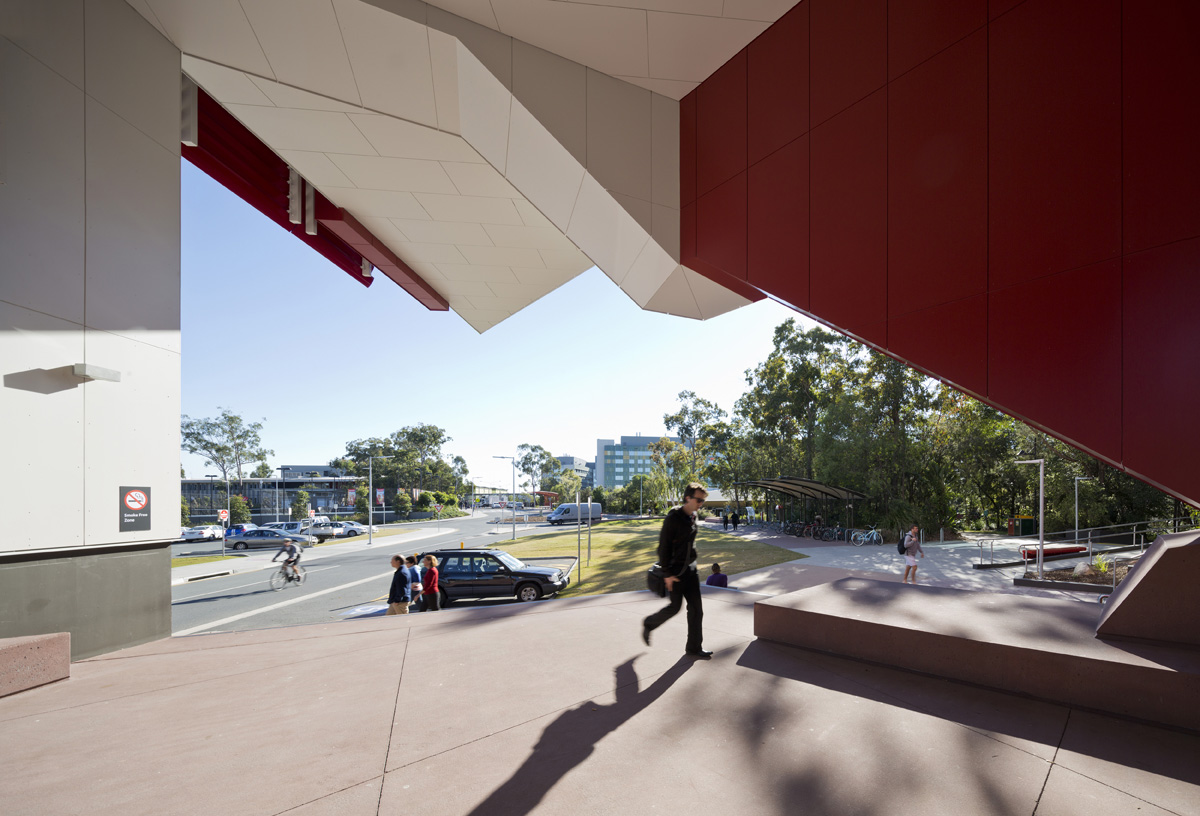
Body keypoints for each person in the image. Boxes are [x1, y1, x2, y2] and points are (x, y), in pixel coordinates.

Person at [642, 482, 711, 658]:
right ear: (688, 498)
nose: (701, 504)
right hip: (675, 573)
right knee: (675, 607)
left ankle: (694, 648)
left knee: (697, 609)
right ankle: (649, 624)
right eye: (699, 500)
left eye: (703, 501)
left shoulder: (693, 516)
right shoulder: (673, 518)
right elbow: (663, 547)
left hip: (691, 570)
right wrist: (667, 574)